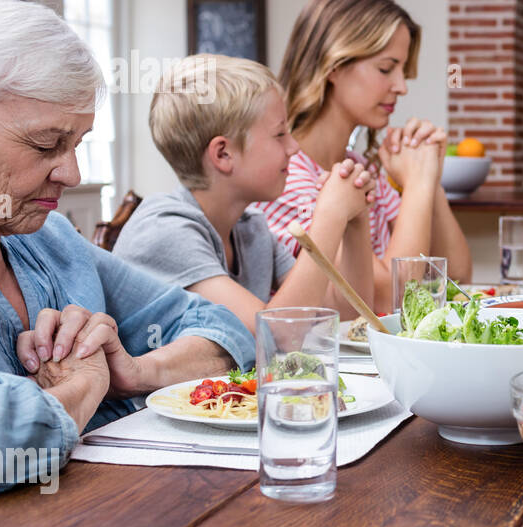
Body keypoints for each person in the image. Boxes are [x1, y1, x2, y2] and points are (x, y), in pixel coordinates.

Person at [0, 0, 252, 494]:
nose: (70, 174)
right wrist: (84, 385)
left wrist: (133, 372)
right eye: (47, 144)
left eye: (77, 144)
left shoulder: (46, 238)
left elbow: (223, 329)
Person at [113, 54, 376, 333]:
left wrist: (355, 221)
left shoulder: (251, 229)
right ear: (223, 154)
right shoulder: (164, 231)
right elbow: (275, 337)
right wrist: (329, 216)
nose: (294, 147)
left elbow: (347, 317)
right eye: (279, 134)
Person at [254, 0, 472, 312]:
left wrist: (428, 174)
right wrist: (417, 184)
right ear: (334, 66)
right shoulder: (287, 177)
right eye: (386, 68)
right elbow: (390, 298)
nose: (400, 86)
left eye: (402, 71)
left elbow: (455, 275)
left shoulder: (358, 166)